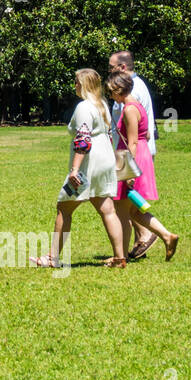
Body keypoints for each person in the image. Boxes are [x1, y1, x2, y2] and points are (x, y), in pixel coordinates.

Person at [31, 69, 127, 269]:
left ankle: (52, 258)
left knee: (64, 207)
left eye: (76, 82)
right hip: (105, 159)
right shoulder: (102, 105)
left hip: (88, 164)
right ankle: (119, 258)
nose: (74, 85)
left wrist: (74, 170)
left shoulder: (84, 107)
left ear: (83, 84)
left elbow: (83, 140)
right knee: (107, 209)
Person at [107, 72, 180, 261]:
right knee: (133, 211)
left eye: (111, 92)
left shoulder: (130, 109)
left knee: (122, 211)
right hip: (140, 156)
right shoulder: (137, 106)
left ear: (118, 90)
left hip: (132, 159)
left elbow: (132, 142)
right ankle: (167, 236)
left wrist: (128, 172)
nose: (110, 96)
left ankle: (119, 257)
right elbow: (146, 134)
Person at [108, 50, 157, 252]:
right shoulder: (134, 86)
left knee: (122, 201)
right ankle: (141, 239)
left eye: (111, 67)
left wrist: (129, 166)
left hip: (131, 153)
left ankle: (148, 235)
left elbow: (134, 136)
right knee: (127, 200)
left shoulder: (131, 92)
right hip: (130, 151)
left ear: (123, 67)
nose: (108, 71)